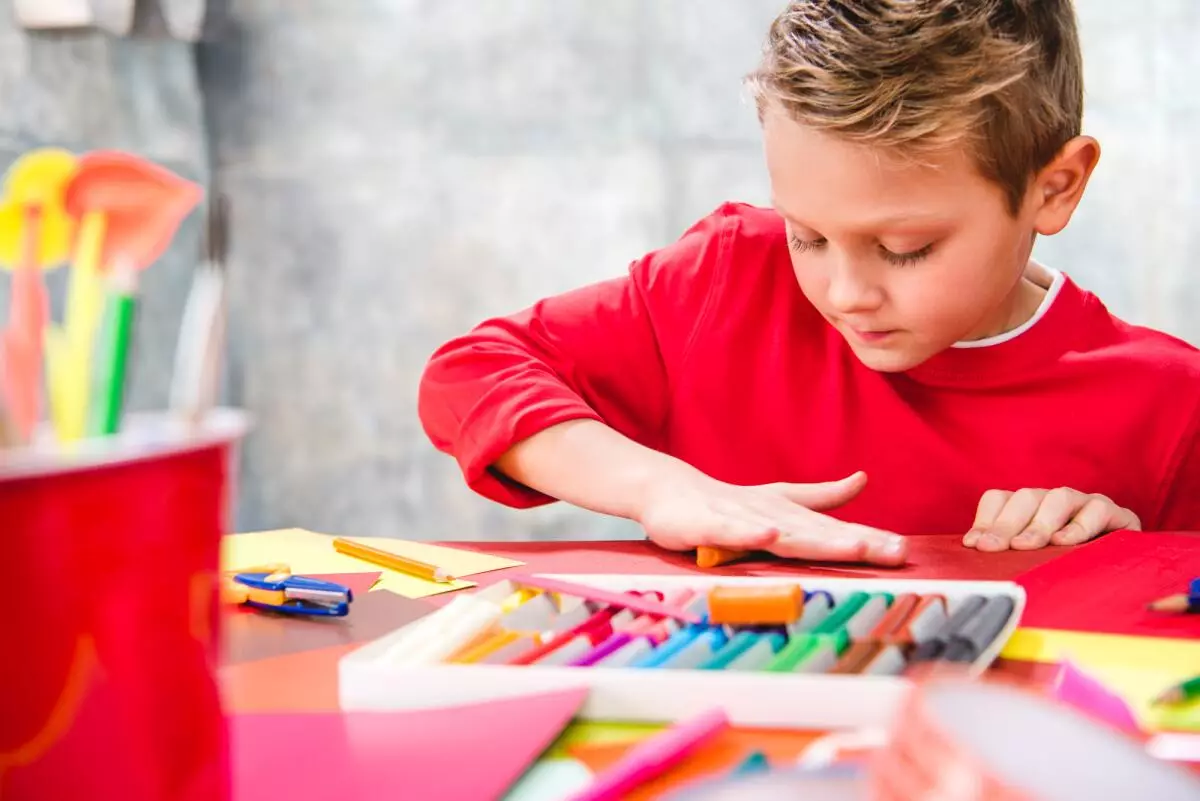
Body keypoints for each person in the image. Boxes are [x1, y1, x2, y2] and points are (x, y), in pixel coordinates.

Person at [417, 0, 1200, 567]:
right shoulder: (730, 280)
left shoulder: (1169, 406)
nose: (845, 290)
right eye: (809, 235)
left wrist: (1126, 573)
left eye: (905, 247)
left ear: (1054, 188)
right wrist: (655, 485)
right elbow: (473, 371)